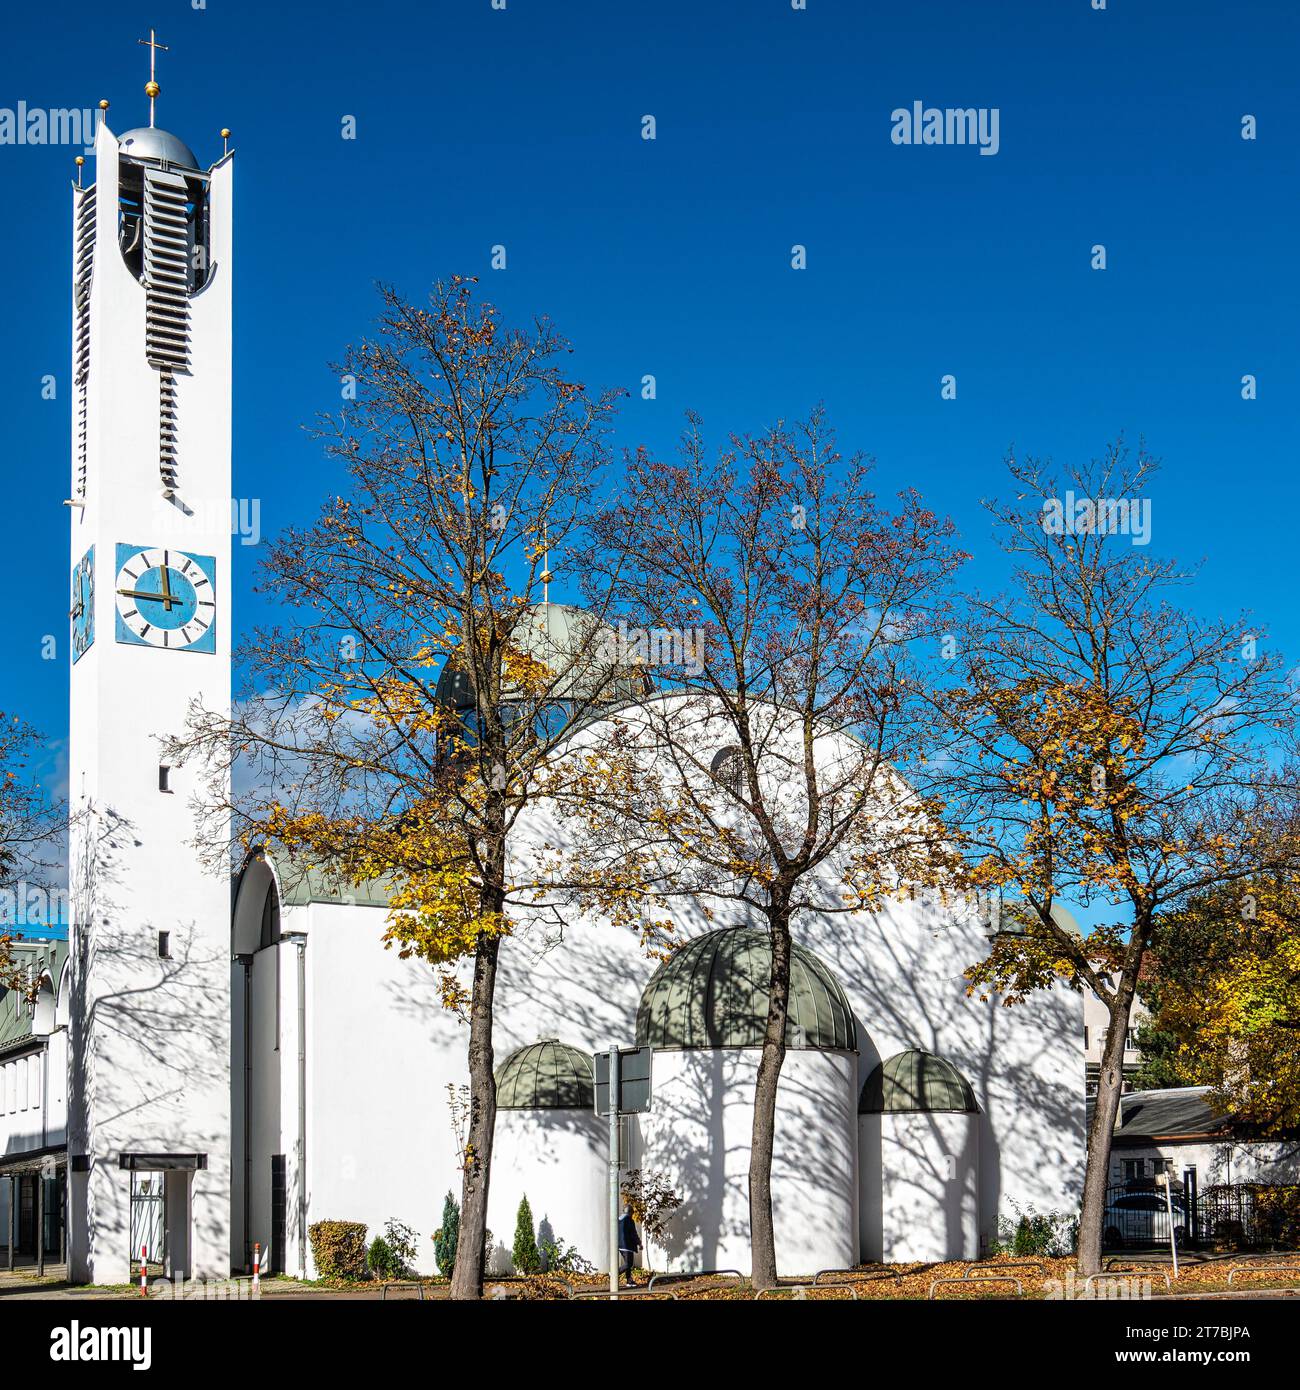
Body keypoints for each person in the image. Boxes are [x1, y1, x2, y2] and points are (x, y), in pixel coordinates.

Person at [617, 1206, 642, 1287]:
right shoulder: (629, 1220)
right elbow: (633, 1234)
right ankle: (614, 1273)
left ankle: (629, 1281)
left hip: (620, 1245)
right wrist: (639, 1243)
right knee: (629, 1264)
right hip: (627, 1245)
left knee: (627, 1264)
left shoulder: (618, 1220)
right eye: (632, 1213)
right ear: (630, 1212)